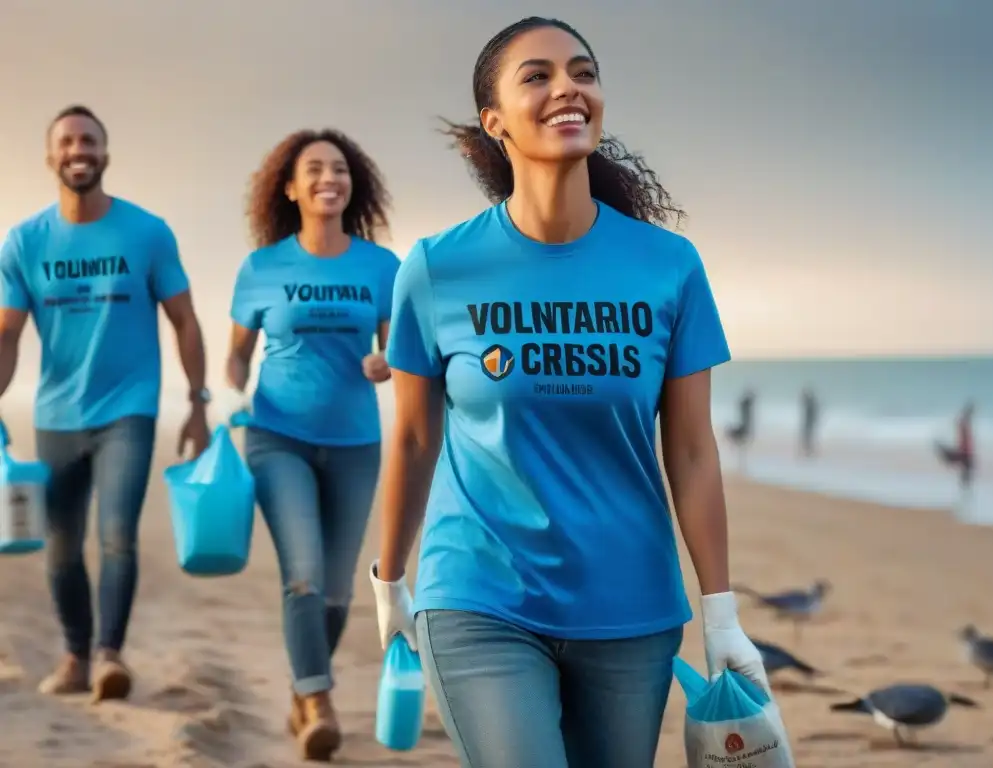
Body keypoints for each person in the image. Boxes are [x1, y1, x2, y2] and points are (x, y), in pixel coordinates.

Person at [369, 18, 769, 768]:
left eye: (583, 72)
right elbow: (416, 438)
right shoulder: (436, 267)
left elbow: (689, 449)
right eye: (537, 75)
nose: (568, 89)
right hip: (480, 597)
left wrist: (721, 612)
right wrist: (389, 579)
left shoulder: (669, 267)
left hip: (631, 606)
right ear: (495, 123)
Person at [0, 105, 210, 701]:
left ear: (105, 154)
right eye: (66, 141)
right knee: (61, 547)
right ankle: (74, 656)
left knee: (117, 533)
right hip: (57, 414)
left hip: (129, 408)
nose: (78, 149)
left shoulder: (146, 232)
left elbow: (185, 321)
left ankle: (109, 655)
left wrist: (196, 404)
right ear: (50, 157)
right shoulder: (24, 242)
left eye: (88, 139)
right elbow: (8, 335)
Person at [225, 129, 398, 761]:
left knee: (337, 593)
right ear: (291, 188)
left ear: (354, 186)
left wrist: (386, 364)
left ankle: (303, 689)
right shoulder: (263, 267)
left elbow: (400, 349)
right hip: (278, 439)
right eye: (315, 169)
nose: (330, 177)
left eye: (341, 169)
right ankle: (319, 698)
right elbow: (236, 359)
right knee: (301, 577)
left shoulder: (381, 267)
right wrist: (228, 400)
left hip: (356, 442)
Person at [936, 401, 975, 492]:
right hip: (965, 453)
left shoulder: (964, 422)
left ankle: (964, 492)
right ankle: (965, 493)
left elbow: (965, 438)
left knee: (966, 478)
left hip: (965, 453)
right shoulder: (964, 422)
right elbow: (965, 439)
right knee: (966, 478)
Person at [800, 386, 819, 457]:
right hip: (809, 422)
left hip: (809, 422)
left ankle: (809, 451)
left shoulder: (810, 402)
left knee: (808, 437)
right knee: (808, 437)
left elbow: (812, 413)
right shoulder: (811, 401)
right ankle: (809, 451)